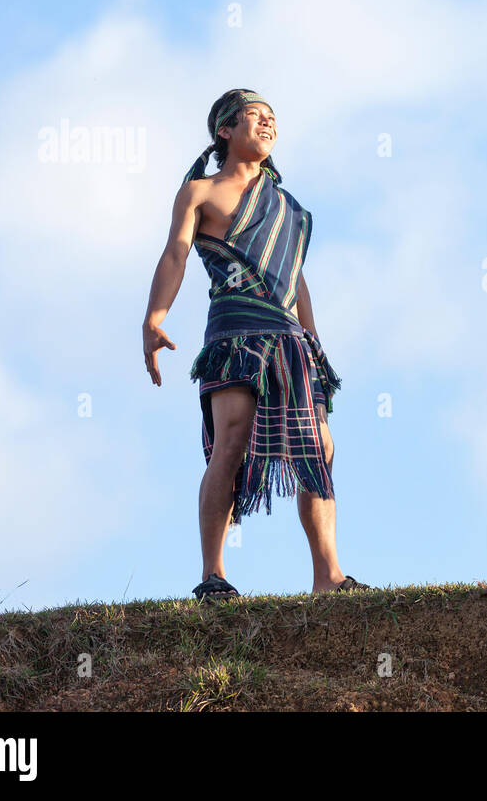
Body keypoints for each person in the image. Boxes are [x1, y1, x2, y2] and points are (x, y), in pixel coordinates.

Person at [142, 88, 366, 601]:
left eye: (273, 119)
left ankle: (328, 576)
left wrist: (314, 342)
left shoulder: (287, 204)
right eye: (255, 116)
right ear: (225, 129)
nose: (268, 124)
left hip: (289, 337)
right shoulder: (199, 192)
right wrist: (155, 317)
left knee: (318, 446)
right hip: (233, 328)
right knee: (232, 439)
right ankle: (213, 576)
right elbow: (175, 255)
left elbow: (296, 278)